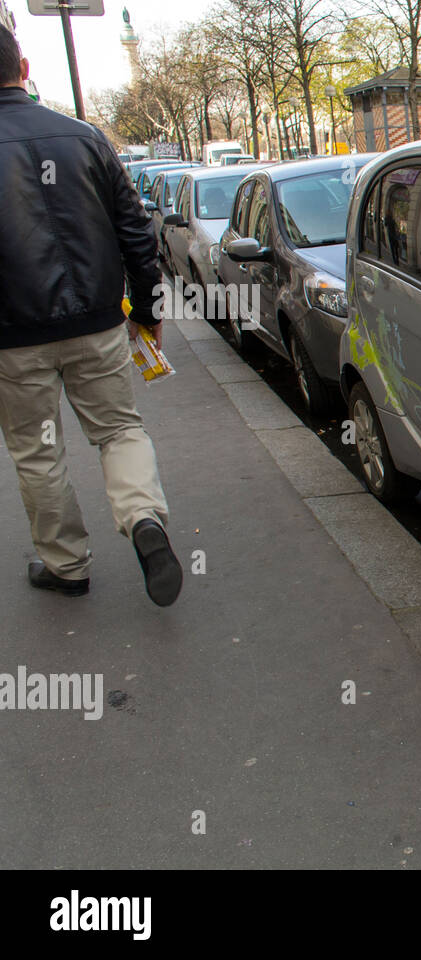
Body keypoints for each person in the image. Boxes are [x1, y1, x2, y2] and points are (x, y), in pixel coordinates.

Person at [0, 28, 182, 607]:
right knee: (119, 429)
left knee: (37, 448)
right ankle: (144, 518)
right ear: (24, 65)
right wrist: (149, 311)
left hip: (14, 335)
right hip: (100, 320)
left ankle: (66, 564)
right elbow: (137, 231)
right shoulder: (84, 137)